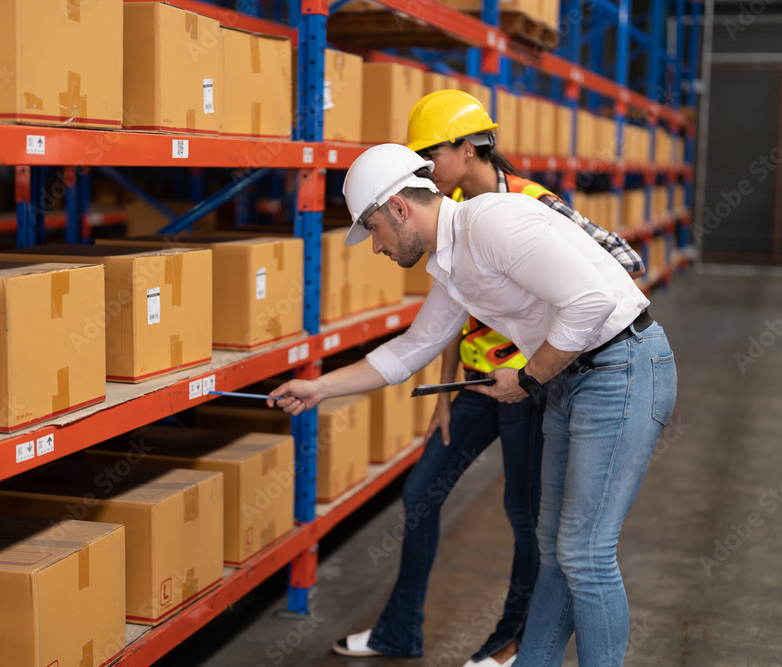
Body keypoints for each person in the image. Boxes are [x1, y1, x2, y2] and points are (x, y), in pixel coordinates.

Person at [269, 141, 677, 667]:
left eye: (372, 230)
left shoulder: (490, 224)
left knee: (585, 554)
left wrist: (528, 378)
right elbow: (413, 348)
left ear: (399, 208)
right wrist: (319, 388)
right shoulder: (451, 260)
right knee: (553, 548)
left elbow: (593, 301)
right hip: (576, 378)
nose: (376, 247)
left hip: (623, 367)